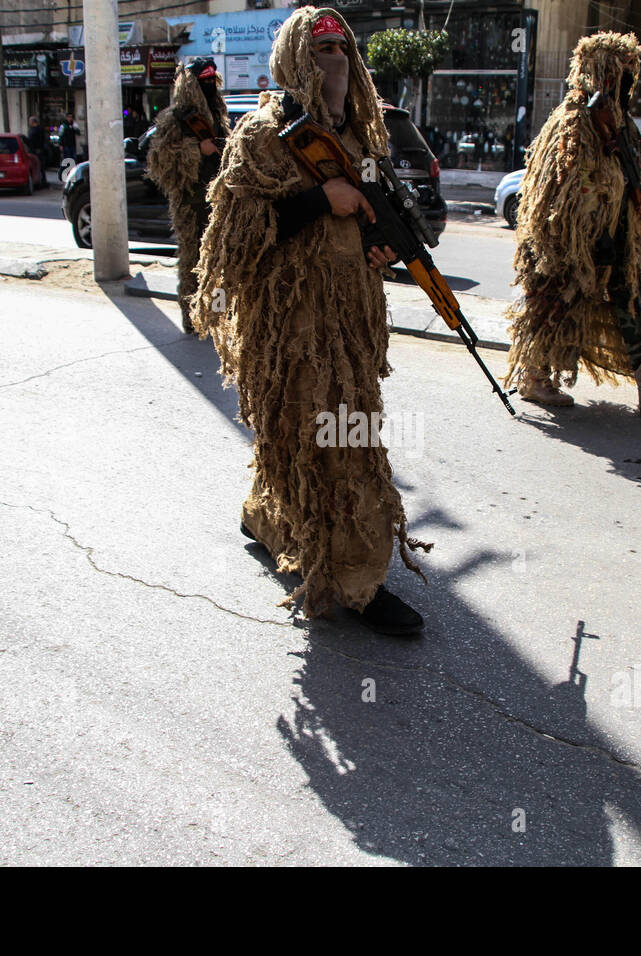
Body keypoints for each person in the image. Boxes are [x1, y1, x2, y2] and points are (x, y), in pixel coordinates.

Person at [192, 6, 430, 635]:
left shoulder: (361, 139)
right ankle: (357, 582)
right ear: (296, 58)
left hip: (348, 327)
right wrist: (318, 199)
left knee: (335, 438)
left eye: (344, 48)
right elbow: (234, 241)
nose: (337, 61)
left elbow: (371, 215)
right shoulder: (260, 138)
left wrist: (381, 247)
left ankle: (269, 518)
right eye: (322, 49)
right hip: (290, 330)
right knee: (321, 443)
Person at [505, 32, 641, 415]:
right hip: (571, 244)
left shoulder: (624, 127)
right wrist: (599, 211)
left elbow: (633, 177)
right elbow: (561, 189)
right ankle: (533, 377)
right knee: (554, 307)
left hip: (617, 240)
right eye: (616, 73)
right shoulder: (573, 123)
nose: (624, 83)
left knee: (635, 304)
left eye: (629, 74)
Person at [146, 57, 231, 335]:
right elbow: (159, 157)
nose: (208, 85)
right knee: (192, 262)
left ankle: (217, 316)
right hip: (190, 203)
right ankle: (192, 318)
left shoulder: (217, 113)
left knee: (219, 261)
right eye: (203, 80)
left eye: (211, 79)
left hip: (217, 198)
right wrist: (198, 149)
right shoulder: (176, 118)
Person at [25, 115, 48, 189]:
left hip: (36, 151)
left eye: (30, 121)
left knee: (38, 166)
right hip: (39, 150)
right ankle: (43, 181)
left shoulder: (34, 130)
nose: (29, 123)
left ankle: (40, 182)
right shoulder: (39, 129)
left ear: (33, 122)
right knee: (41, 167)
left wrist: (25, 140)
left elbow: (31, 140)